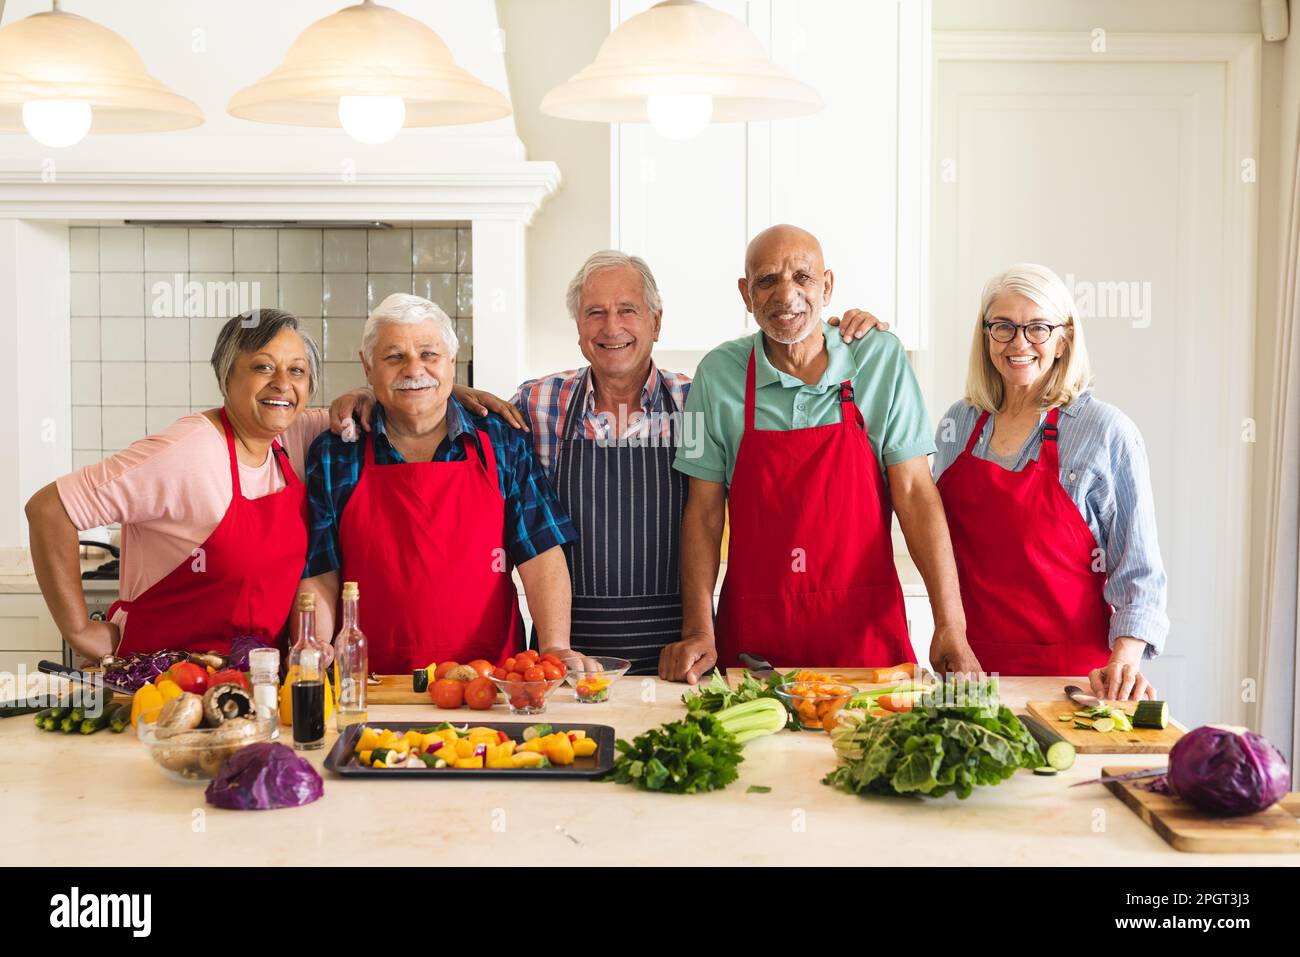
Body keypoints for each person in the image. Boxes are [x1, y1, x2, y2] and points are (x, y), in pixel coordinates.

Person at [329, 251, 883, 675]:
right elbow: (439, 406)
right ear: (578, 327)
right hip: (570, 658)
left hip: (682, 650)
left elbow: (776, 442)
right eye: (595, 312)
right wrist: (380, 394)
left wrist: (837, 331)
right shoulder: (536, 405)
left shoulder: (698, 401)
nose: (611, 327)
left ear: (656, 322)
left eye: (627, 311)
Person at [663, 224, 978, 682]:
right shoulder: (713, 375)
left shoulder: (881, 358)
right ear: (745, 294)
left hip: (865, 643)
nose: (786, 295)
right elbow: (703, 513)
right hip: (755, 645)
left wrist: (951, 625)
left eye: (802, 277)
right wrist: (698, 629)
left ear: (827, 286)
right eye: (767, 280)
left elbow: (915, 493)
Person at [26, 309, 362, 660]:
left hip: (250, 686)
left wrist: (361, 397)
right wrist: (79, 631)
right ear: (227, 376)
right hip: (159, 685)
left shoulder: (292, 437)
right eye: (263, 366)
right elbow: (50, 509)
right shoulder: (188, 450)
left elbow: (353, 415)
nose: (282, 383)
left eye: (297, 371)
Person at [297, 294, 578, 673]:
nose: (414, 369)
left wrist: (557, 647)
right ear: (367, 367)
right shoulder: (334, 453)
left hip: (491, 682)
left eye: (429, 355)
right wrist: (313, 641)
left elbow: (540, 552)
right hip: (372, 685)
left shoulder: (501, 441)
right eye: (394, 357)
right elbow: (322, 571)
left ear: (451, 361)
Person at [933, 263, 1167, 700]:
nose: (1019, 342)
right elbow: (933, 535)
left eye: (1038, 327)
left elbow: (1139, 573)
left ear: (1064, 340)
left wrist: (1124, 662)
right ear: (986, 338)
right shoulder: (959, 424)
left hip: (1070, 684)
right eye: (1002, 326)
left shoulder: (1105, 431)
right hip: (968, 674)